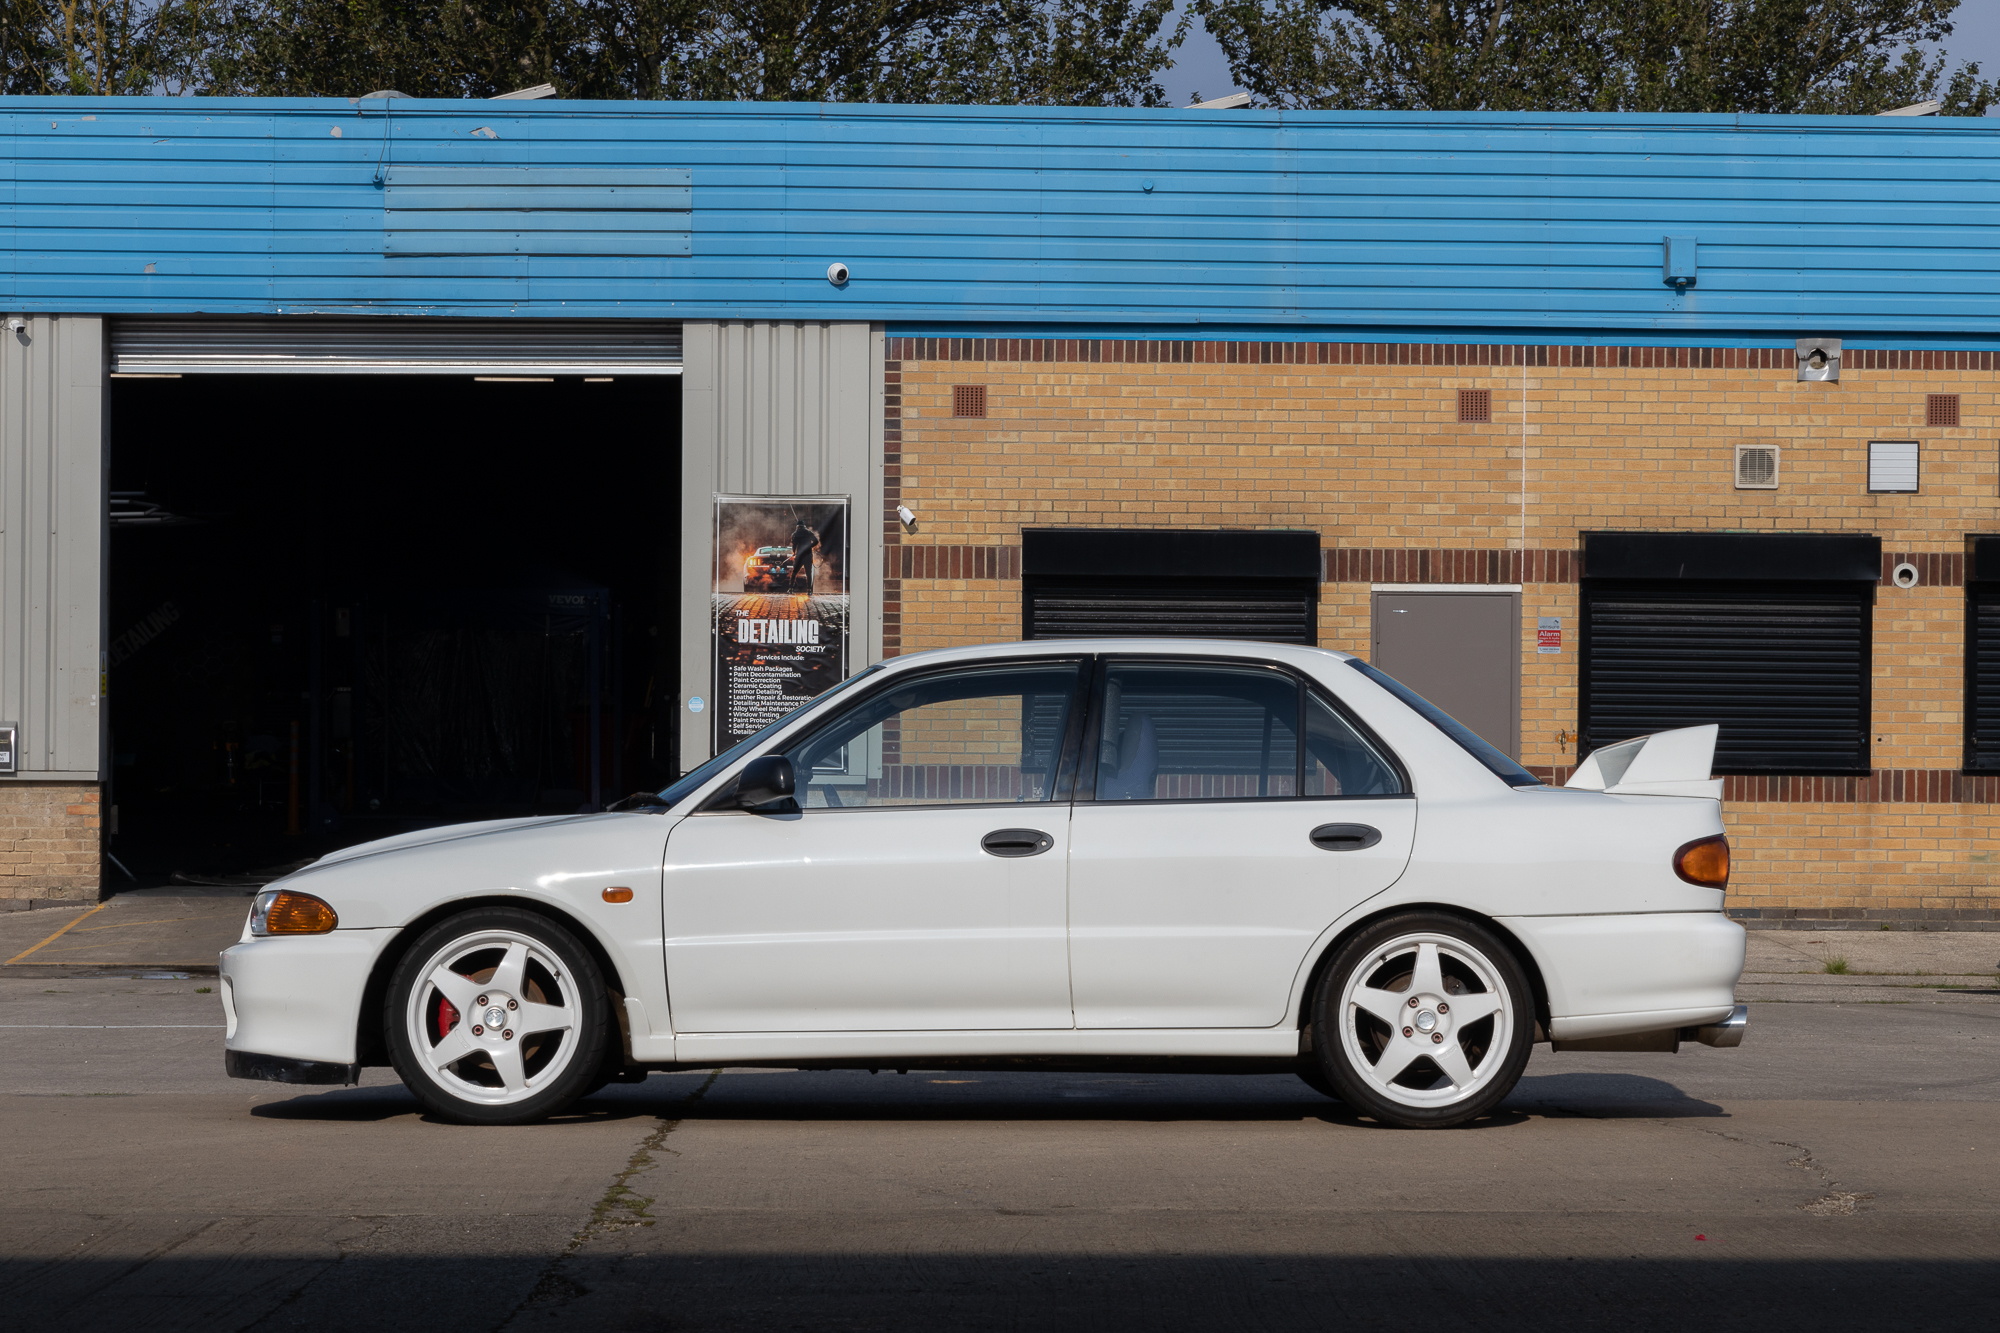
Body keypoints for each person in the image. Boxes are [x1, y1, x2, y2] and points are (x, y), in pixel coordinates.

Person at [786, 518, 819, 593]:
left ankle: (791, 589)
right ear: (804, 526)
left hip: (799, 556)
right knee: (808, 573)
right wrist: (810, 545)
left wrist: (794, 552)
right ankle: (809, 590)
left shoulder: (795, 534)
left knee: (794, 572)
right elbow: (816, 541)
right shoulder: (808, 532)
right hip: (808, 555)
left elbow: (794, 545)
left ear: (797, 526)